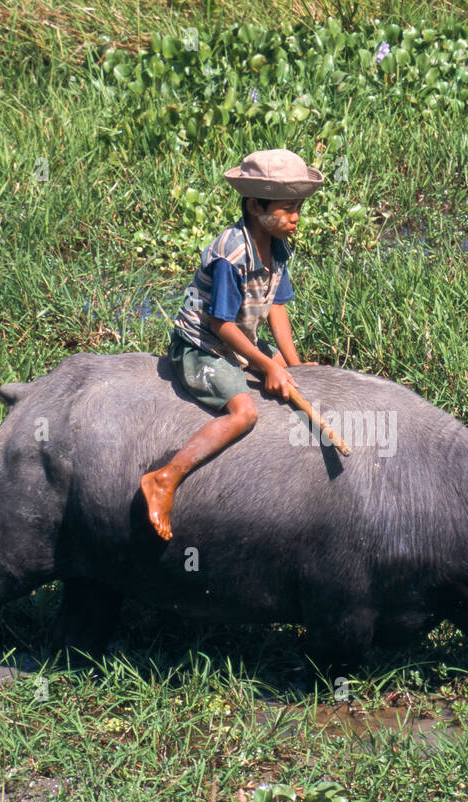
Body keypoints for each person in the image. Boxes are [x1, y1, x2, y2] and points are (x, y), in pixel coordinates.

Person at [140, 149, 324, 541]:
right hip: (204, 346)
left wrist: (290, 363)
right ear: (256, 205)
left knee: (291, 382)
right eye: (288, 209)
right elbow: (219, 324)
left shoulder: (277, 247)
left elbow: (276, 307)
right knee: (244, 413)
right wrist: (266, 365)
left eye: (299, 209)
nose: (296, 218)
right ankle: (165, 478)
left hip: (241, 342)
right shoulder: (230, 255)